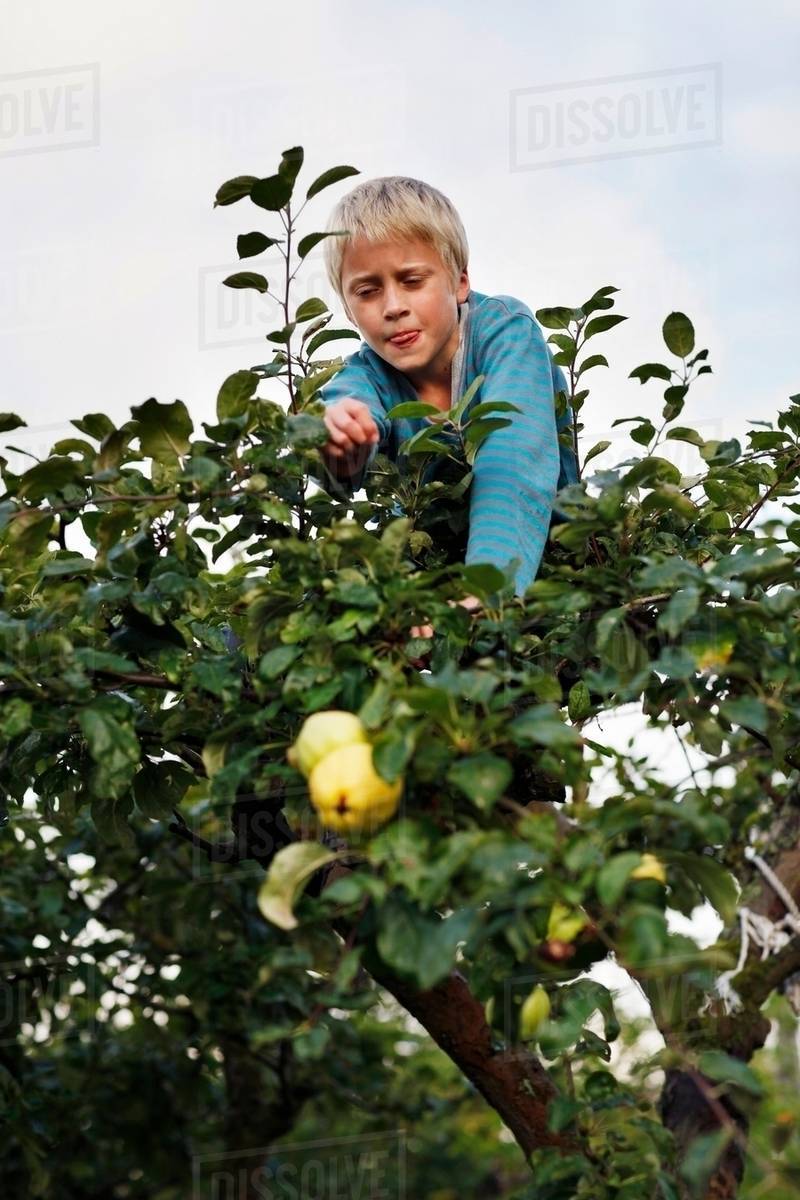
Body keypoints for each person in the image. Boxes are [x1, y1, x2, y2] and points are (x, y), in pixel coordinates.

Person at [310, 175, 579, 641]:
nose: (393, 306)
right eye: (367, 291)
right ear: (349, 311)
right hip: (434, 596)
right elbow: (344, 404)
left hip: (551, 578)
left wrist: (487, 587)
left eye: (411, 281)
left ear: (459, 281)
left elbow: (512, 454)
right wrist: (337, 445)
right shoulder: (368, 374)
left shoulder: (505, 334)